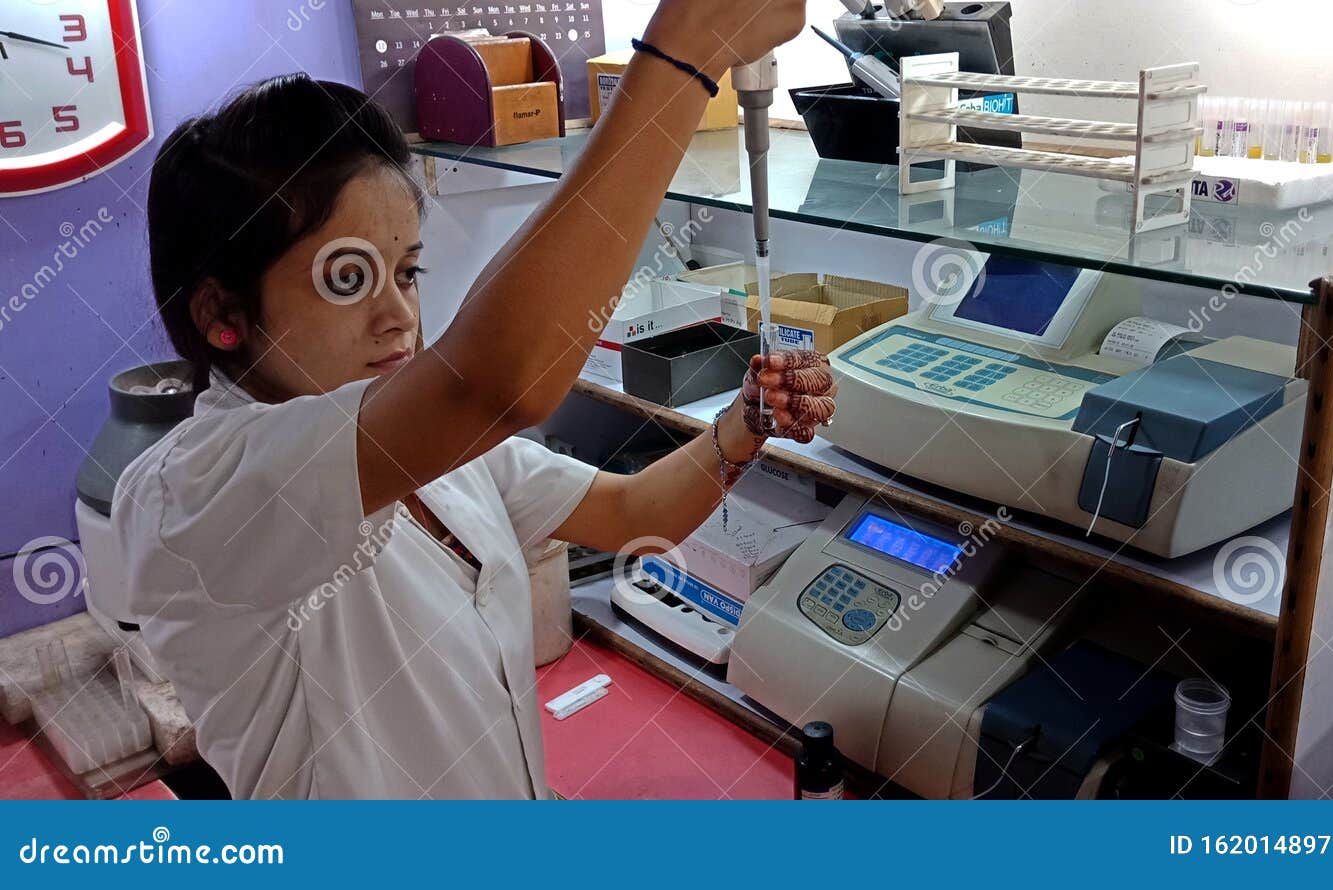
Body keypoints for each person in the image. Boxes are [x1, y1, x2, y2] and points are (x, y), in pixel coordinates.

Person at [114, 0, 818, 798]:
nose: (398, 315)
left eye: (407, 271)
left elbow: (632, 515)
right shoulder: (197, 493)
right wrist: (689, 52)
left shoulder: (440, 456)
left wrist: (744, 425)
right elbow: (496, 381)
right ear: (223, 317)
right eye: (347, 278)